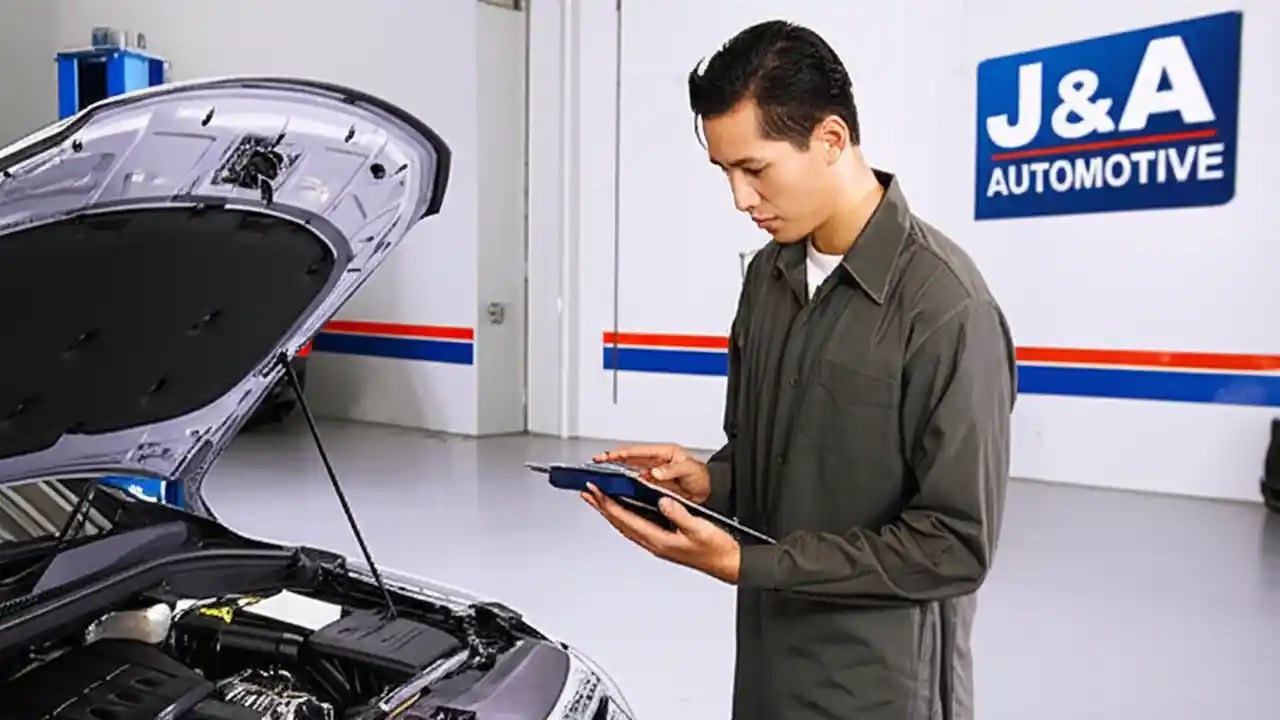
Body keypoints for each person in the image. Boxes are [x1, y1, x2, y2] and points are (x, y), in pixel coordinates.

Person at [580, 19, 1017, 720]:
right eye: (726, 172)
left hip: (878, 691)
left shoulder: (945, 308)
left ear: (832, 140)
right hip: (766, 673)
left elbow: (954, 547)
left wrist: (747, 565)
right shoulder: (768, 277)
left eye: (755, 169)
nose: (740, 199)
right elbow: (773, 458)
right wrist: (710, 482)